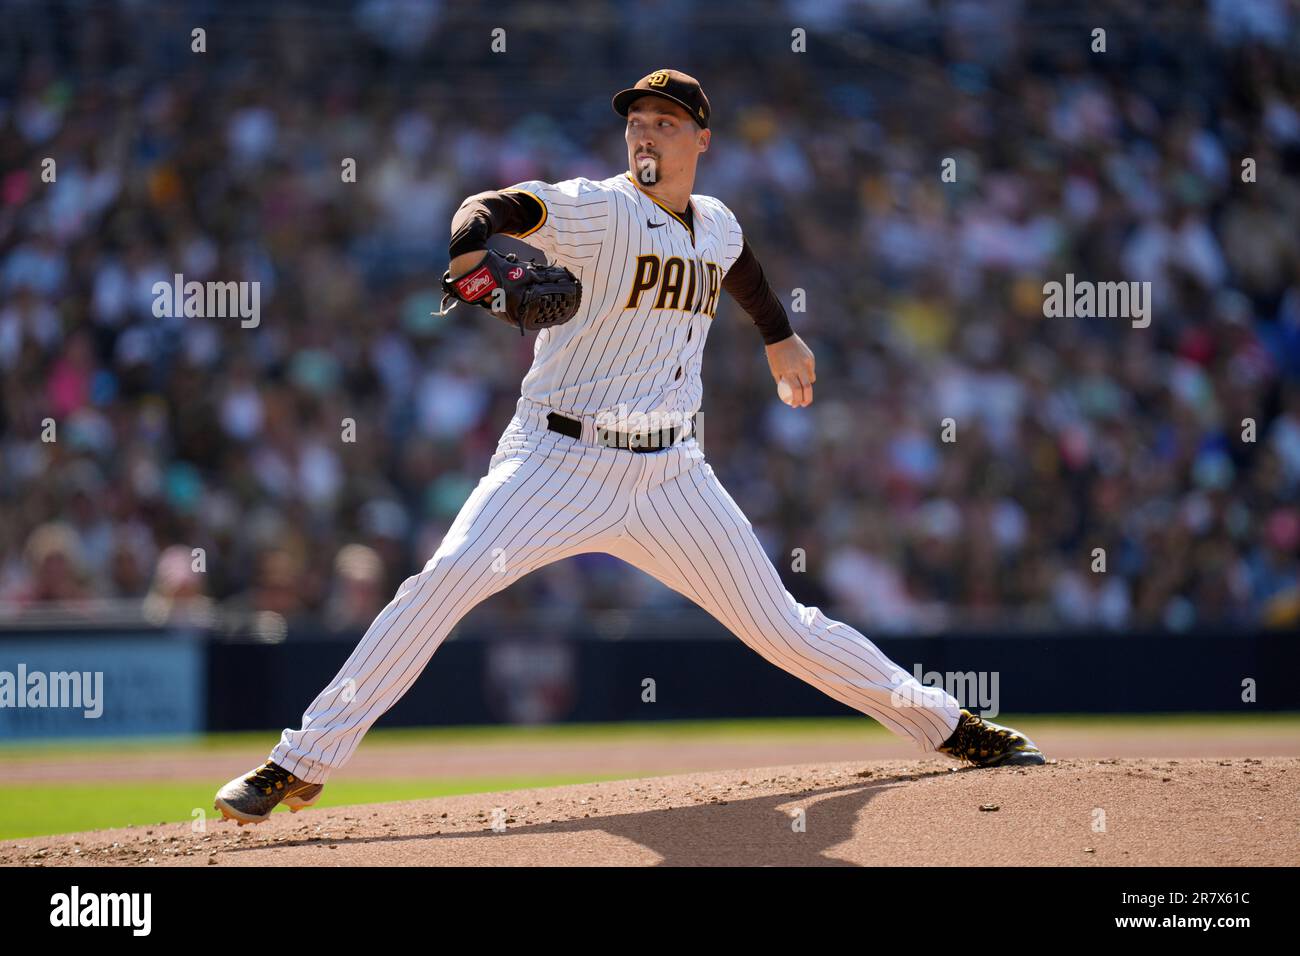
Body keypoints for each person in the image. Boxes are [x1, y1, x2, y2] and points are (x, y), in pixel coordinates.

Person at [215, 69, 1044, 825]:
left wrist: (780, 338)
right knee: (442, 582)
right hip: (555, 461)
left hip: (674, 475)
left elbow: (742, 266)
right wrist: (475, 253)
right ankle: (302, 759)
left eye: (667, 123)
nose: (646, 135)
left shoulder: (716, 224)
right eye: (637, 122)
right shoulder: (598, 207)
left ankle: (950, 728)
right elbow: (489, 208)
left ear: (702, 139)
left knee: (786, 628)